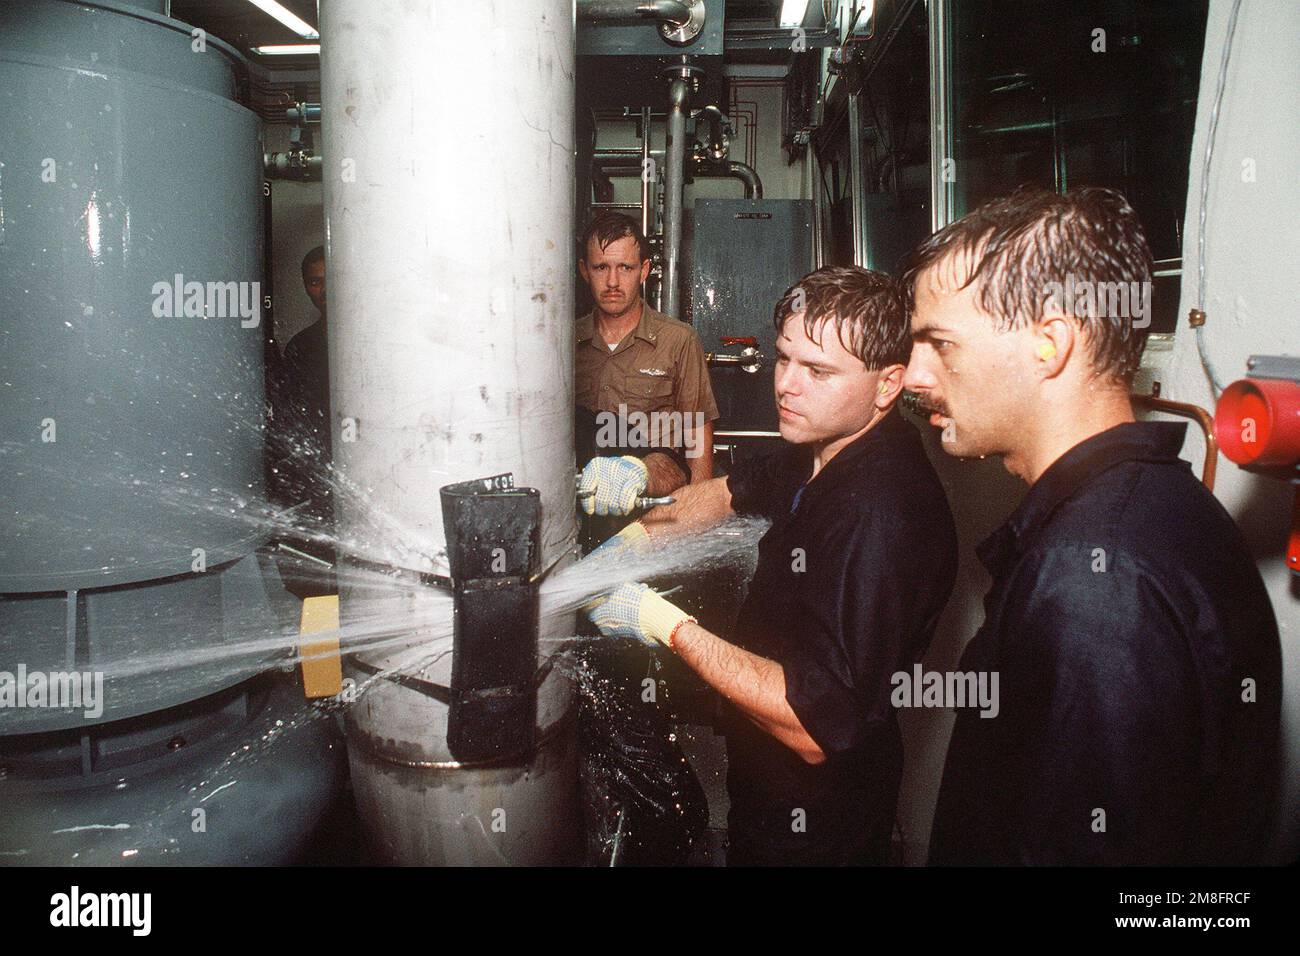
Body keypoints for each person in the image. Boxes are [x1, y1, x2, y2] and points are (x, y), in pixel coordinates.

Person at [900, 185, 1282, 865]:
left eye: (939, 344)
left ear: (1049, 345)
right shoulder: (1164, 507)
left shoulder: (1093, 580)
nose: (914, 376)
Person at [584, 266, 959, 866]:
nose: (787, 386)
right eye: (785, 359)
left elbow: (813, 727)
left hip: (820, 824)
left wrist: (666, 625)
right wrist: (624, 538)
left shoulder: (881, 514)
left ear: (888, 385)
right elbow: (722, 495)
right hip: (763, 787)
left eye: (818, 371)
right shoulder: (821, 446)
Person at [575, 212, 719, 539]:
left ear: (644, 270)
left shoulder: (678, 340)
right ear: (585, 271)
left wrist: (696, 519)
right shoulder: (563, 343)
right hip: (582, 508)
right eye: (601, 268)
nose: (613, 282)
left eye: (625, 268)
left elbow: (696, 431)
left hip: (653, 506)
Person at [270, 245, 334, 594]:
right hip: (318, 487)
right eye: (314, 282)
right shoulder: (300, 348)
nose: (323, 291)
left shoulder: (379, 342)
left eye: (330, 279)